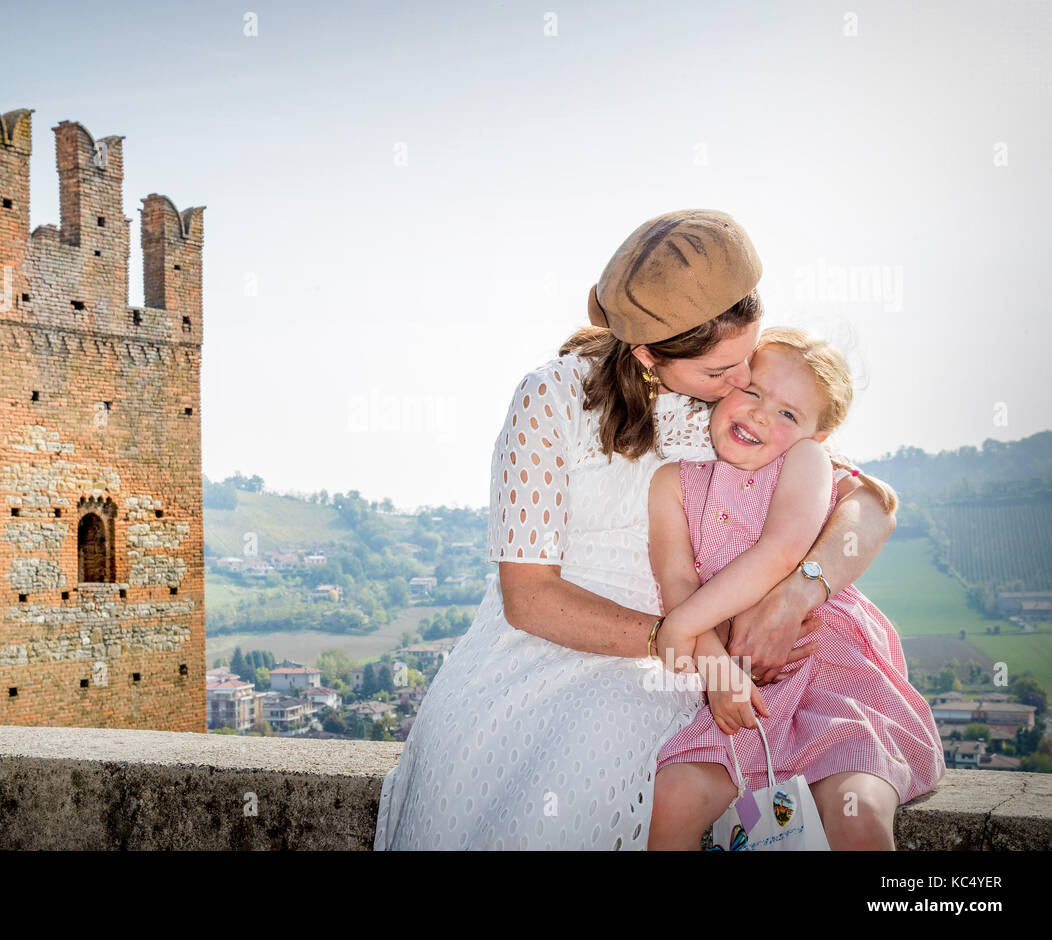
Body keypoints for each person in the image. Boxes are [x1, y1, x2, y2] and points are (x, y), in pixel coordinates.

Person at [372, 210, 897, 849]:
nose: (740, 383)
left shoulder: (736, 403)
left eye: (746, 360)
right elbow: (529, 598)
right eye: (721, 373)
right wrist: (691, 646)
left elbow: (867, 506)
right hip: (559, 652)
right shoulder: (549, 400)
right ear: (649, 354)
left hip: (682, 662)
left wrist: (800, 592)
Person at [647, 327, 945, 850]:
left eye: (788, 413)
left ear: (816, 436)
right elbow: (678, 581)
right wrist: (715, 669)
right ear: (725, 386)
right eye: (754, 393)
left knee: (857, 811)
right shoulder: (672, 482)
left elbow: (782, 551)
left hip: (831, 672)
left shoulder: (804, 463)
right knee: (672, 798)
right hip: (745, 689)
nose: (763, 415)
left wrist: (683, 626)